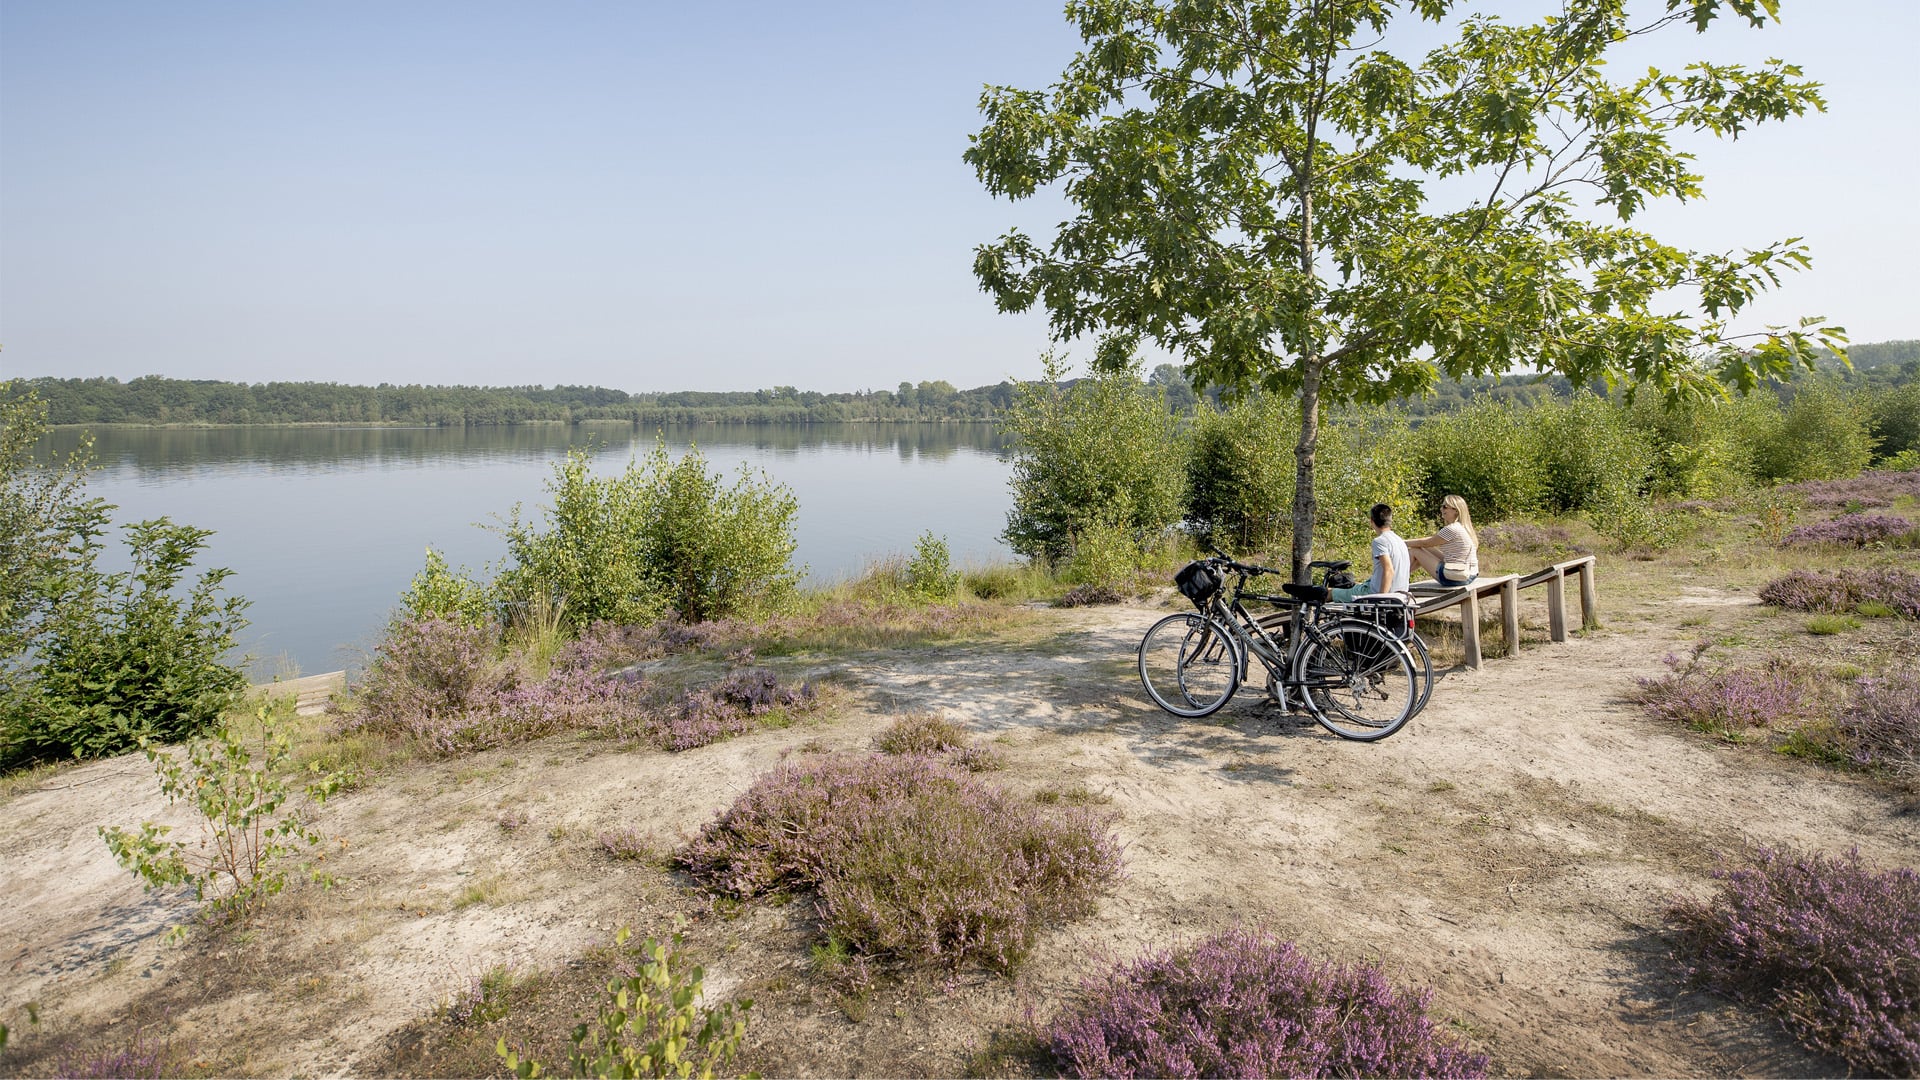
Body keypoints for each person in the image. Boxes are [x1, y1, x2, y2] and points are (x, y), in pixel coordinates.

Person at [1330, 502, 1409, 602]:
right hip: (1400, 594)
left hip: (1375, 593)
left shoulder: (1379, 541)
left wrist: (1381, 599)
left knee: (1330, 593)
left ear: (1371, 521)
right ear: (1390, 520)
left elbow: (1389, 570)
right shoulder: (1399, 541)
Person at [1403, 494, 1479, 587]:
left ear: (1456, 510)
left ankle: (1396, 580)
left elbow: (1426, 542)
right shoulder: (1463, 528)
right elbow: (1427, 543)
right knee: (1421, 548)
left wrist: (1401, 543)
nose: (1441, 509)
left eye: (1445, 507)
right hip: (1469, 574)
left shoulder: (1452, 529)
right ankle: (1400, 578)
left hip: (1456, 577)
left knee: (1415, 551)